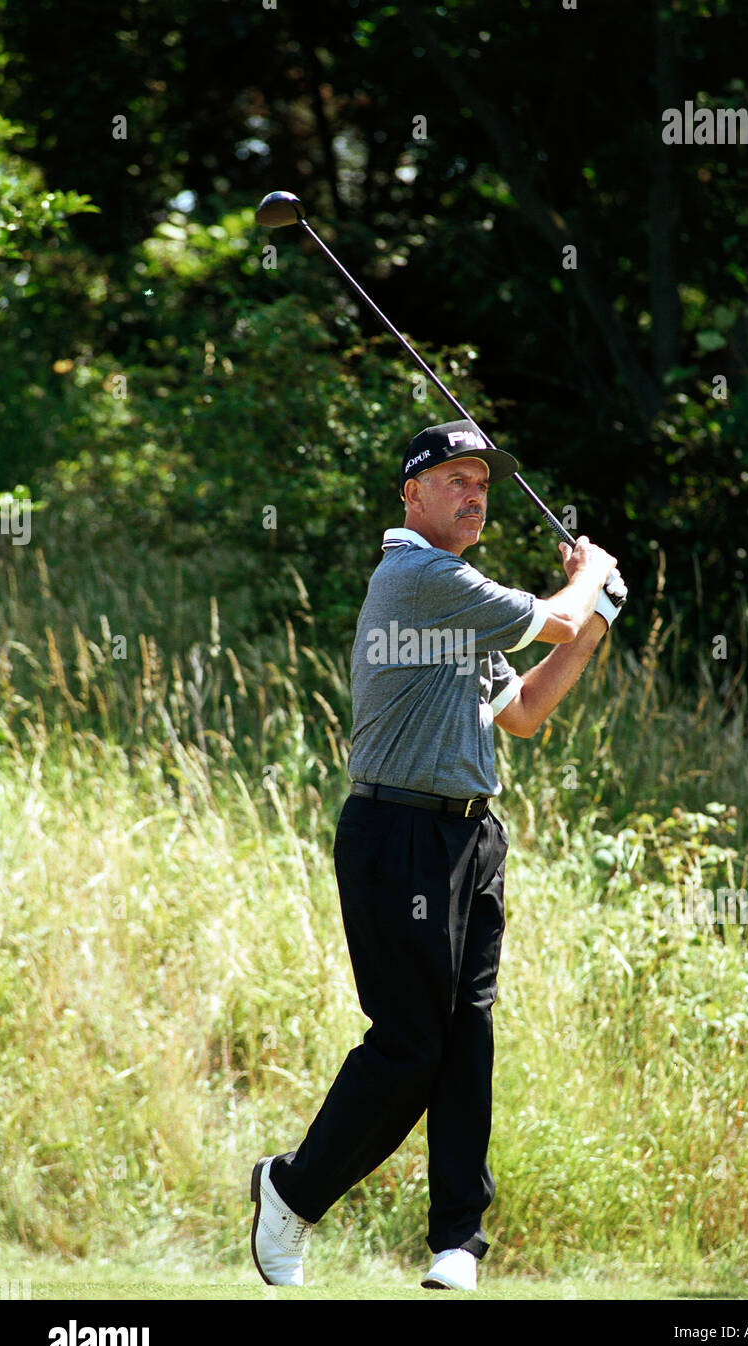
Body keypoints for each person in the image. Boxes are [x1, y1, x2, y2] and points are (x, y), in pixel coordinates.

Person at [250, 418, 627, 1291]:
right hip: (400, 835)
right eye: (455, 479)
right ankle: (291, 1190)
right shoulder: (421, 576)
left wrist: (594, 624)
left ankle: (457, 1238)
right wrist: (592, 583)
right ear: (411, 494)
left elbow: (526, 711)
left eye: (483, 485)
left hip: (469, 836)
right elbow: (554, 617)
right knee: (412, 1045)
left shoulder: (460, 603)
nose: (473, 495)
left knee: (468, 1039)